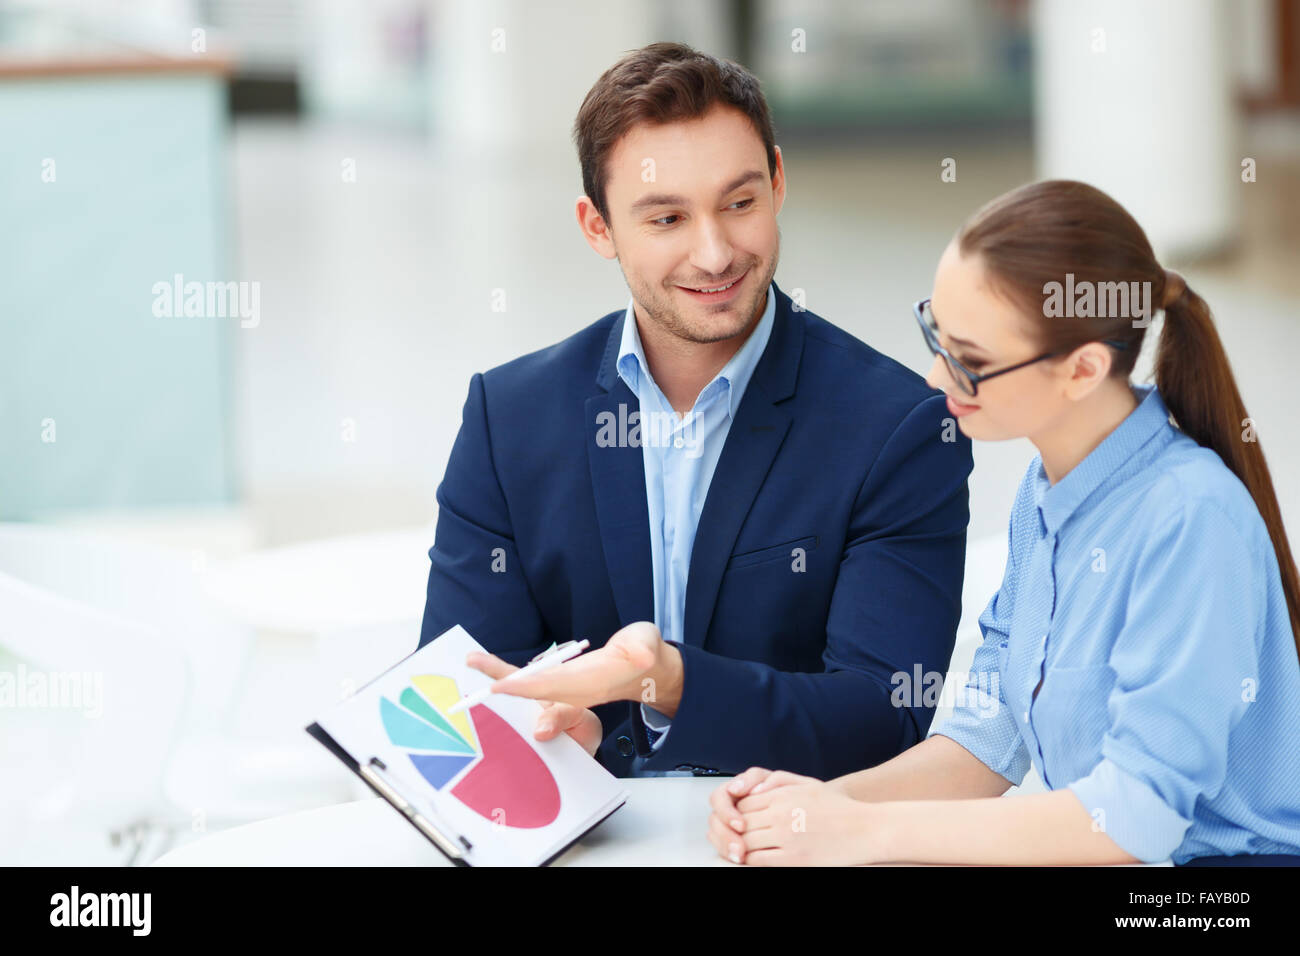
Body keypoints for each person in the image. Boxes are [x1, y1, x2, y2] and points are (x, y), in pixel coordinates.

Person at [418, 42, 973, 778]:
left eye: (739, 203)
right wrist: (560, 740)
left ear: (778, 182)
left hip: (790, 840)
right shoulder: (509, 419)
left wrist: (673, 683)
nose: (715, 255)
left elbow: (883, 719)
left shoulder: (898, 428)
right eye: (667, 219)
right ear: (597, 227)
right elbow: (464, 693)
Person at [706, 179, 1300, 865]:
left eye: (970, 362)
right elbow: (991, 733)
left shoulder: (1192, 518)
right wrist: (823, 806)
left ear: (1083, 370)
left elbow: (1137, 816)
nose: (934, 379)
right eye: (937, 334)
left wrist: (862, 834)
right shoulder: (1046, 491)